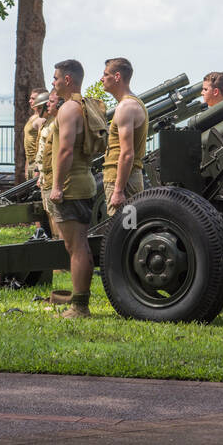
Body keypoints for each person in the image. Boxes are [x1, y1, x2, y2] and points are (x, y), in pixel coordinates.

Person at [48, 59, 97, 319]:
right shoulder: (84, 105)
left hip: (71, 186)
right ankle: (79, 303)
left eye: (55, 78)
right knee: (79, 245)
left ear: (67, 80)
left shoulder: (68, 109)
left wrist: (57, 186)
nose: (53, 83)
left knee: (76, 246)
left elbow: (66, 150)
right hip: (83, 181)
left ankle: (79, 307)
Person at [101, 57, 148, 216]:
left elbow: (127, 153)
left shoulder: (126, 107)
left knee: (125, 232)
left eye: (106, 74)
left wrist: (119, 190)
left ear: (117, 77)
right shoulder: (131, 104)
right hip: (123, 179)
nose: (102, 79)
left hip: (123, 182)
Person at [23, 90, 50, 180]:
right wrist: (27, 167)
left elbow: (41, 145)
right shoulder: (33, 117)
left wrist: (38, 170)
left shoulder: (41, 119)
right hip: (31, 163)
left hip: (37, 164)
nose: (30, 101)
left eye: (33, 98)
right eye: (30, 98)